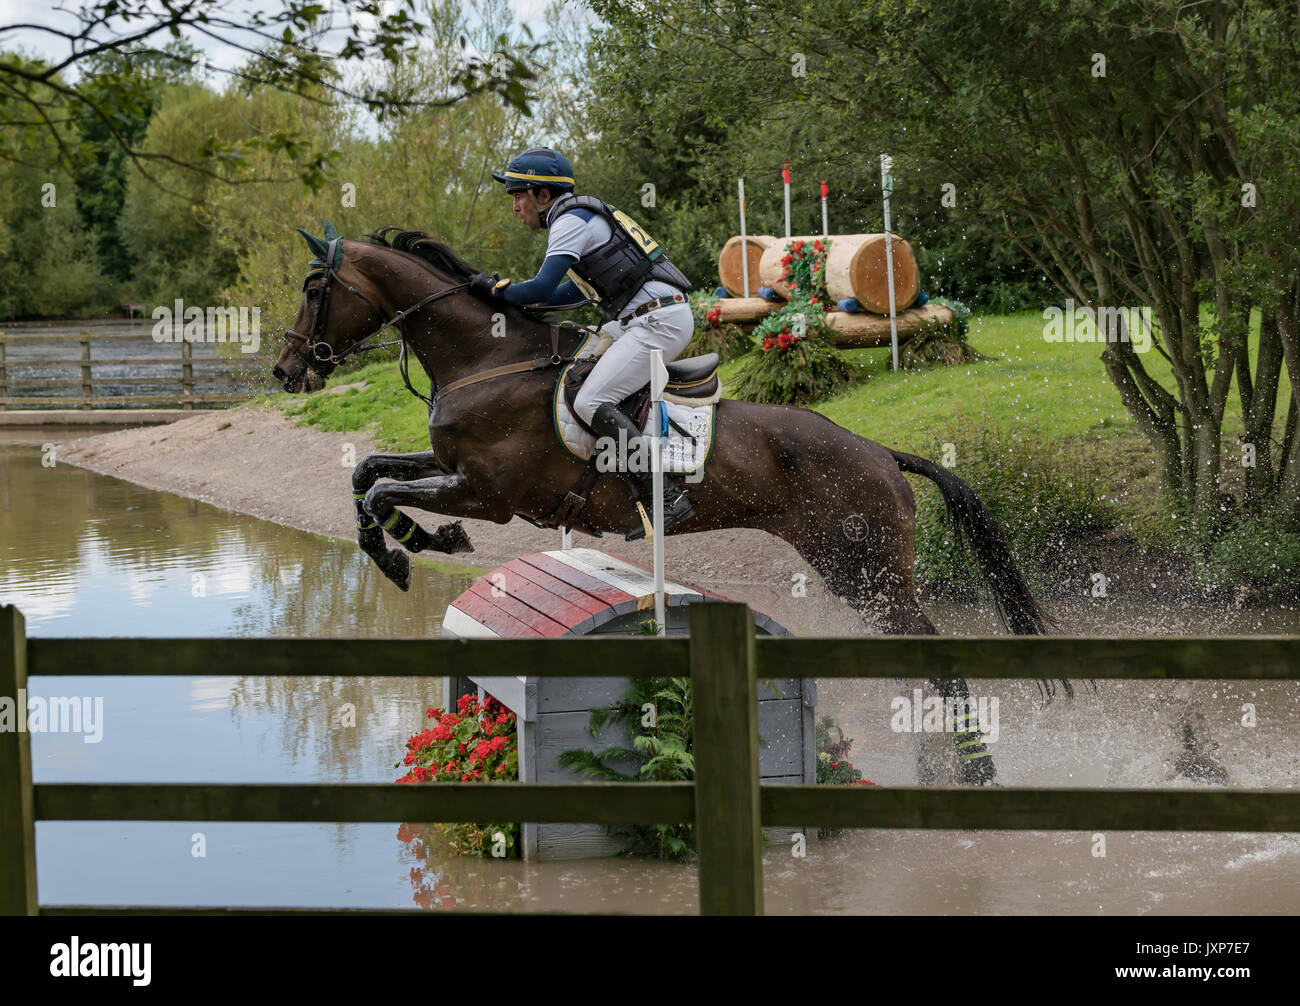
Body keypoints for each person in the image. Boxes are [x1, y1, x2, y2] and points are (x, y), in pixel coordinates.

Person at [473, 147, 696, 540]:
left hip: (657, 321)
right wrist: (506, 294)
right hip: (643, 318)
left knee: (589, 400)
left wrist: (497, 292)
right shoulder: (580, 218)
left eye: (517, 195)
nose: (514, 206)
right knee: (576, 370)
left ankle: (665, 497)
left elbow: (541, 287)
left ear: (544, 196)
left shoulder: (570, 221)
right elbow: (565, 296)